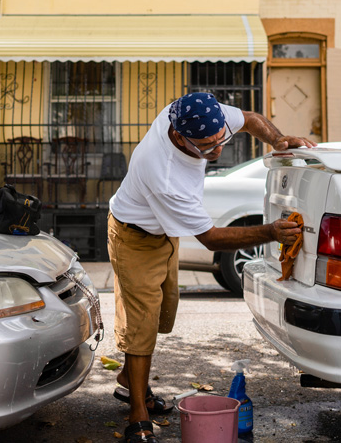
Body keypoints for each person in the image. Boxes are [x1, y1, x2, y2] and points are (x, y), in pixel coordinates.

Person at [107, 92, 315, 443]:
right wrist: (270, 232)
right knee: (142, 319)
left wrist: (277, 139)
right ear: (178, 136)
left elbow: (249, 119)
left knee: (162, 314)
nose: (217, 151)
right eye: (206, 147)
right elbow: (212, 239)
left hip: (164, 232)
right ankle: (137, 412)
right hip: (133, 236)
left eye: (221, 141)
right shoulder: (162, 172)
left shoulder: (204, 115)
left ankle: (129, 381)